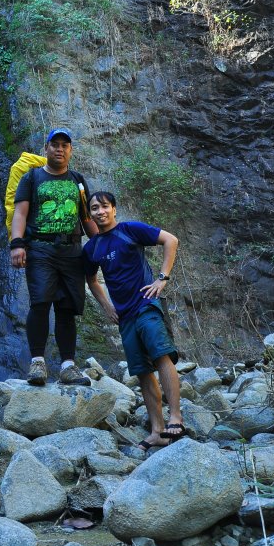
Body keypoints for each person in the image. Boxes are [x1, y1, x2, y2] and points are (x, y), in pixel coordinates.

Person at [82, 190, 184, 452]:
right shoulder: (91, 248)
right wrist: (106, 306)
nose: (100, 212)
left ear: (114, 209)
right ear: (90, 215)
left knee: (161, 355)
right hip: (124, 315)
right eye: (94, 209)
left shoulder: (130, 230)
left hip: (146, 304)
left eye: (104, 207)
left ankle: (176, 417)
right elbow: (92, 280)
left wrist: (162, 278)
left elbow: (170, 240)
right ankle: (157, 431)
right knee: (141, 371)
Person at [10, 128, 97, 387]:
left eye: (65, 145)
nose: (59, 149)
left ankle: (68, 366)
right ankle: (37, 362)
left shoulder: (78, 180)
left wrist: (104, 243)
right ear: (46, 148)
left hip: (72, 251)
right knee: (40, 303)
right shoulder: (32, 177)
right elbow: (21, 214)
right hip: (40, 248)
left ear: (70, 150)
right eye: (55, 144)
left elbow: (86, 218)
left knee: (67, 308)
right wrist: (17, 244)